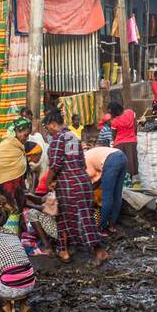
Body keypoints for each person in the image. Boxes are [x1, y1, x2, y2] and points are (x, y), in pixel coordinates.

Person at [45, 109, 110, 265]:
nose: (47, 131)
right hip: (82, 181)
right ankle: (63, 250)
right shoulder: (72, 137)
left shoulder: (58, 139)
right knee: (69, 217)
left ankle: (99, 251)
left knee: (81, 219)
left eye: (47, 127)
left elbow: (55, 165)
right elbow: (79, 162)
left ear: (53, 125)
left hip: (69, 186)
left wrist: (48, 182)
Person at [85, 139, 127, 234]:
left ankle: (103, 227)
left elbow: (93, 179)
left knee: (107, 196)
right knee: (117, 195)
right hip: (122, 156)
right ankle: (112, 224)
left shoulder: (84, 159)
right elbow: (99, 175)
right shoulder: (91, 153)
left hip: (111, 161)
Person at [108, 99, 138, 176]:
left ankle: (125, 181)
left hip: (119, 144)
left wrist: (114, 143)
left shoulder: (115, 121)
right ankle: (134, 179)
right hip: (132, 142)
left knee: (122, 164)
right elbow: (135, 127)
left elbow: (114, 135)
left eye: (111, 112)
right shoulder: (130, 113)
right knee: (133, 162)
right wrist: (133, 136)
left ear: (114, 111)